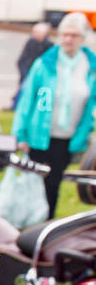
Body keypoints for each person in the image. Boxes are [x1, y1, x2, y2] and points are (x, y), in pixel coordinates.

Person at [15, 12, 96, 218]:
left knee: (53, 185)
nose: (68, 39)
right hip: (39, 136)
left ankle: (46, 224)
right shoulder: (46, 63)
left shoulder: (90, 67)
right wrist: (21, 134)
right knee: (33, 184)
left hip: (67, 138)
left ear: (83, 38)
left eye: (74, 35)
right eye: (65, 34)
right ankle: (25, 221)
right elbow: (27, 100)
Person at [13, 21, 53, 108]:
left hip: (39, 72)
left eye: (36, 32)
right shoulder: (31, 42)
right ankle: (15, 106)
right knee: (23, 89)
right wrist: (24, 72)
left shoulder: (49, 45)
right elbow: (22, 59)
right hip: (27, 70)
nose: (34, 34)